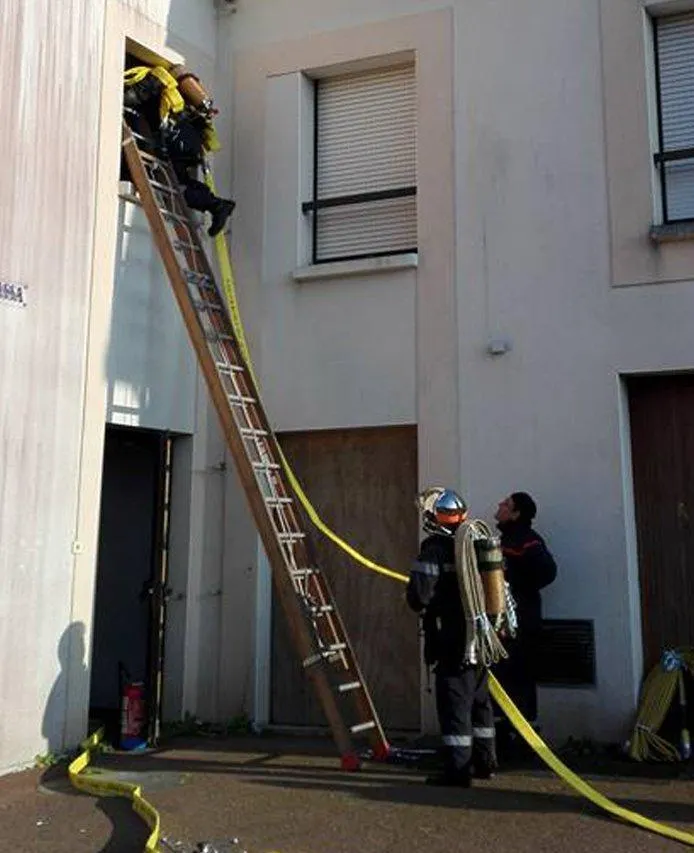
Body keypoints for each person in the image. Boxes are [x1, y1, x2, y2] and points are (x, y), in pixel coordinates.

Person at [406, 487, 497, 787]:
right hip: (480, 637)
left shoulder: (434, 549)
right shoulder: (473, 544)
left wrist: (421, 602)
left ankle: (457, 771)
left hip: (452, 637)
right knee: (480, 701)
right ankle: (485, 762)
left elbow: (420, 595)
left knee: (455, 702)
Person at [122, 64, 235, 238]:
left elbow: (131, 98)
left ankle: (215, 205)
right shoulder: (163, 88)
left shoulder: (148, 80)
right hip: (186, 139)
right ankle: (216, 205)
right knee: (181, 181)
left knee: (177, 183)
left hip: (179, 139)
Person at [493, 491, 557, 731]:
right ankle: (504, 730)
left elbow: (547, 571)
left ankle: (519, 733)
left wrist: (516, 587)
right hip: (505, 622)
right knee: (503, 675)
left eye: (506, 504)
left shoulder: (526, 540)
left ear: (516, 513)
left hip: (520, 622)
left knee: (517, 677)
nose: (500, 505)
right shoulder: (505, 540)